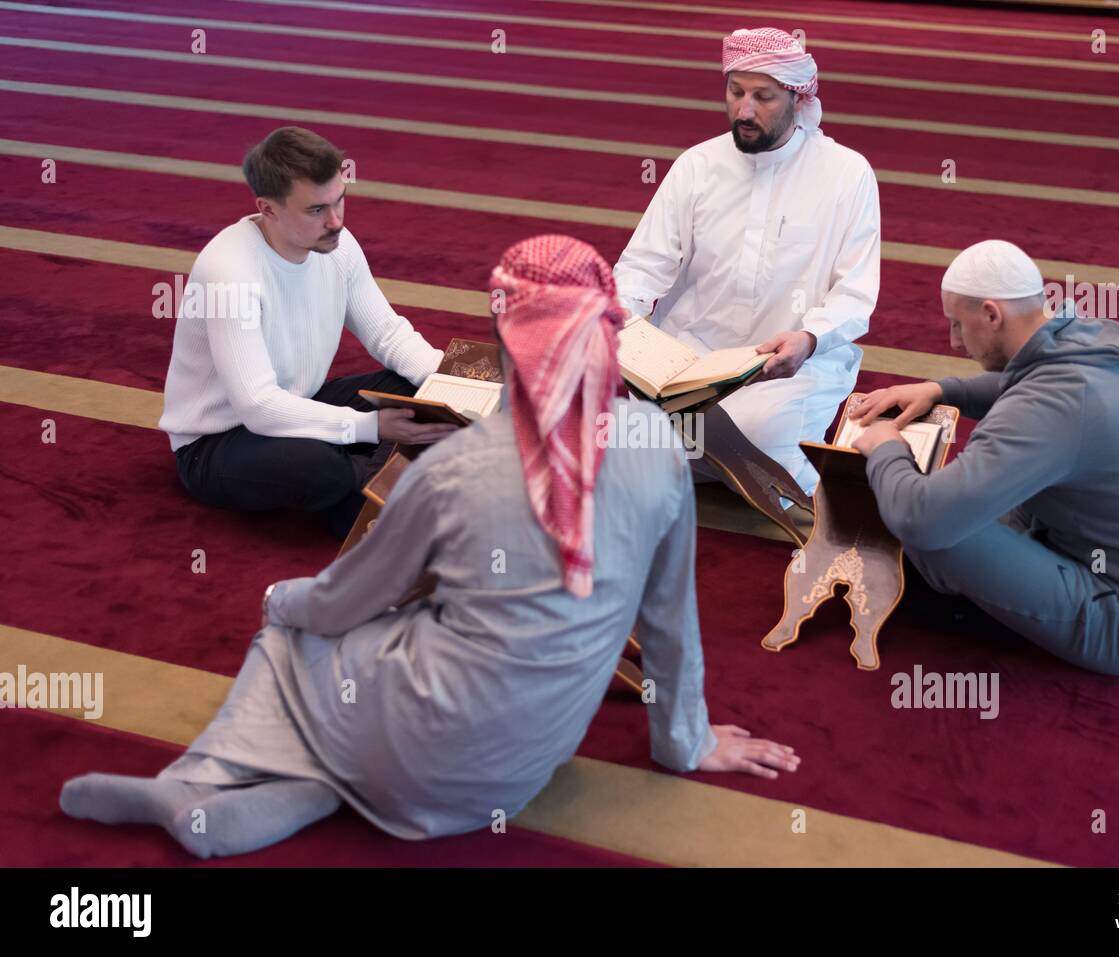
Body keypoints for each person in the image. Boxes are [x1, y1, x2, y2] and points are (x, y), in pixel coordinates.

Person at [61, 235, 798, 858]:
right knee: (391, 652)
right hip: (517, 773)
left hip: (423, 737)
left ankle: (203, 779)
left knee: (291, 636)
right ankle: (306, 789)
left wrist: (277, 596)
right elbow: (669, 622)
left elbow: (341, 600)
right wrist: (686, 742)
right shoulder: (660, 451)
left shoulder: (451, 469)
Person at [849, 239, 1119, 675]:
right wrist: (942, 390)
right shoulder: (1081, 343)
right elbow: (1023, 385)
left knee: (936, 530)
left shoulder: (1054, 404)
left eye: (957, 324)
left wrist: (886, 449)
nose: (952, 341)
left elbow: (924, 519)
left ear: (991, 314)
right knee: (971, 498)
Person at [613, 27, 881, 495]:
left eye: (764, 97)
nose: (745, 110)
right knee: (619, 436)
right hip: (688, 363)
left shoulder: (846, 174)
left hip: (788, 367)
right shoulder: (698, 165)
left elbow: (854, 292)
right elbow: (640, 268)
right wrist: (618, 325)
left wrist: (809, 338)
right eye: (735, 92)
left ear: (798, 100)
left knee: (756, 438)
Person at [159, 126, 453, 539]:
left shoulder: (338, 244)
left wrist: (452, 386)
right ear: (269, 209)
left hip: (300, 402)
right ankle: (377, 486)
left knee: (417, 390)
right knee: (312, 464)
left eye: (340, 201)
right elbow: (258, 407)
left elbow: (387, 333)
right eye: (316, 210)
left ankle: (372, 492)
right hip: (218, 444)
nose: (336, 221)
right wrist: (370, 428)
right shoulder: (229, 274)